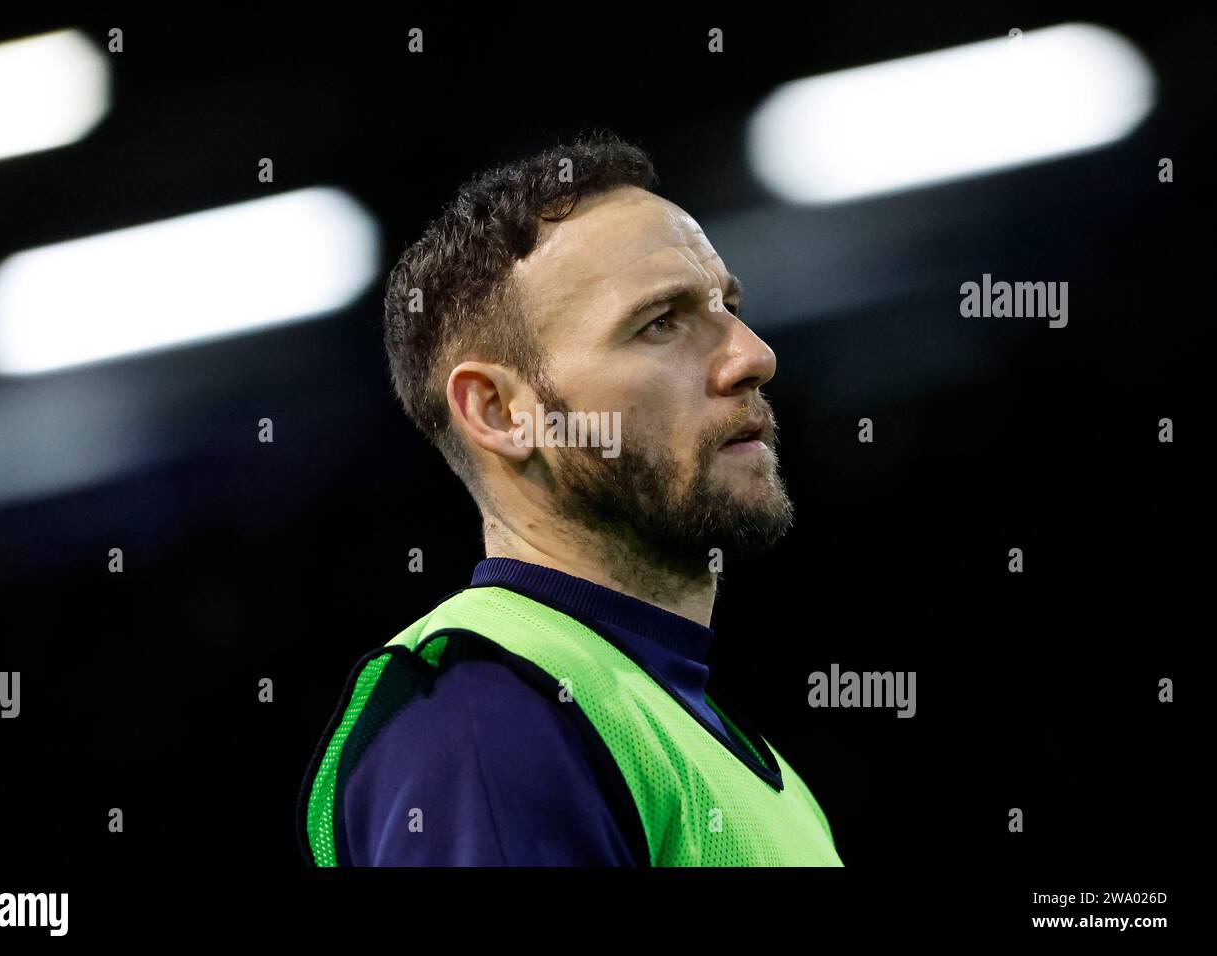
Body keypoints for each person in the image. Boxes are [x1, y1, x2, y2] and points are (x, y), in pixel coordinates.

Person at [298, 130, 843, 866]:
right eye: (659, 323)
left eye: (727, 306)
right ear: (499, 411)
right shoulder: (484, 720)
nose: (752, 355)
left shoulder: (726, 752)